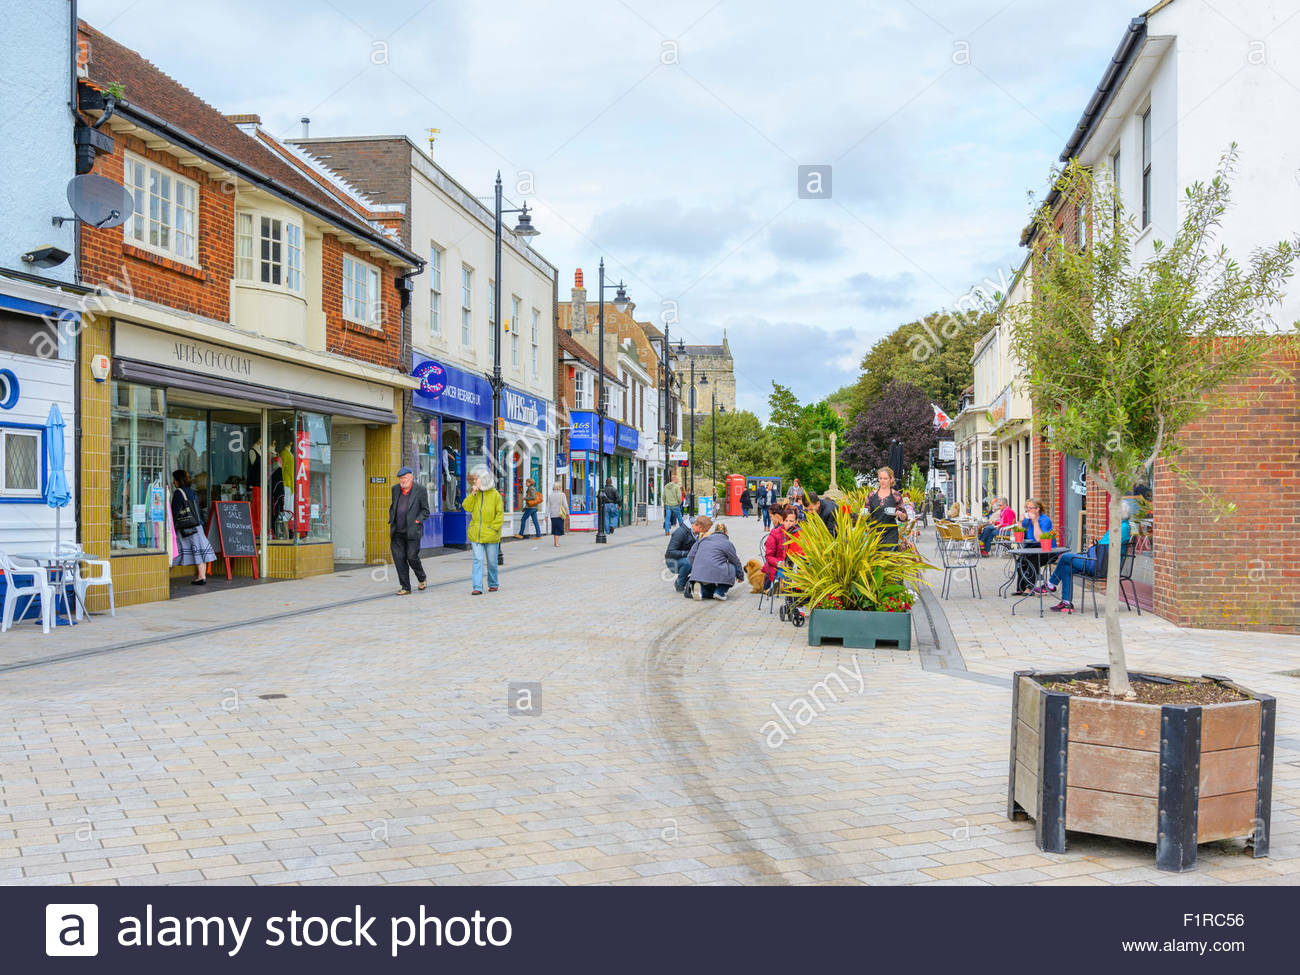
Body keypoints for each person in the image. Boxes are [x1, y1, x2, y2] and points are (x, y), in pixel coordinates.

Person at [1042, 513, 1133, 613]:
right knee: (1066, 567)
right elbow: (1105, 546)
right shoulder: (1121, 526)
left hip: (1100, 566)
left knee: (1065, 557)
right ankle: (1066, 603)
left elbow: (1104, 548)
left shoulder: (1121, 527)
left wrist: (1092, 547)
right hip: (1100, 563)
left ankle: (1050, 584)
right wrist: (1095, 546)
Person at [387, 465, 431, 595]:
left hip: (412, 532)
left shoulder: (420, 490)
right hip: (397, 532)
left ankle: (422, 578)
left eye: (405, 478)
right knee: (399, 559)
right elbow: (393, 506)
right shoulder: (395, 490)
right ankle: (405, 587)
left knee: (412, 557)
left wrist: (417, 521)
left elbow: (425, 511)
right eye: (400, 478)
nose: (402, 480)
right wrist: (391, 519)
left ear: (411, 477)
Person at [170, 469, 214, 585]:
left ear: (179, 481)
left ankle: (164, 575)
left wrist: (171, 526)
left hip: (184, 526)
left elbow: (175, 511)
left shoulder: (178, 493)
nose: (173, 482)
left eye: (174, 480)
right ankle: (202, 576)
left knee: (175, 550)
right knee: (198, 549)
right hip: (196, 525)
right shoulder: (193, 492)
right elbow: (197, 510)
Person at [464, 468, 504, 594]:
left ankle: (493, 583)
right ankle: (477, 587)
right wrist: (473, 494)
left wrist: (493, 528)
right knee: (477, 560)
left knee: (492, 562)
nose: (474, 482)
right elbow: (466, 507)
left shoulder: (495, 495)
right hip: (476, 533)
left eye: (476, 479)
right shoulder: (475, 494)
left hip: (491, 535)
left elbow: (500, 514)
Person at [686, 518, 744, 601]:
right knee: (732, 567)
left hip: (698, 573)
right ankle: (720, 592)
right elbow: (735, 561)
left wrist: (696, 566)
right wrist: (740, 576)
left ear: (714, 532)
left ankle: (701, 590)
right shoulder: (727, 543)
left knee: (709, 588)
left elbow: (691, 556)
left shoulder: (703, 540)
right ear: (726, 533)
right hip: (715, 570)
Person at [1011, 498, 1053, 595]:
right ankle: (1021, 588)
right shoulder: (1027, 520)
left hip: (1046, 550)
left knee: (1032, 560)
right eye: (1026, 508)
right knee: (1020, 561)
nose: (1027, 510)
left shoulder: (1045, 520)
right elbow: (1019, 537)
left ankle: (1030, 588)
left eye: (1030, 508)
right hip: (1031, 547)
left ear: (1037, 509)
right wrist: (1020, 522)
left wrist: (1035, 521)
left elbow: (1039, 538)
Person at [863, 466, 904, 549]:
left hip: (891, 533)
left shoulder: (896, 495)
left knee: (889, 558)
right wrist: (863, 516)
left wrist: (900, 515)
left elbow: (904, 517)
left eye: (885, 478)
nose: (882, 481)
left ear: (891, 479)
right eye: (880, 478)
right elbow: (866, 512)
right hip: (874, 533)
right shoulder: (871, 495)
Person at [665, 515, 705, 593]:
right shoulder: (680, 532)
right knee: (688, 562)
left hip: (687, 558)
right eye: (701, 528)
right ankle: (679, 584)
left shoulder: (696, 533)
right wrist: (688, 553)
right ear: (694, 525)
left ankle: (692, 582)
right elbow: (670, 552)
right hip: (673, 561)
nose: (702, 531)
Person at [763, 504, 797, 587]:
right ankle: (790, 594)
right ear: (782, 521)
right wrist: (779, 563)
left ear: (796, 522)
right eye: (786, 521)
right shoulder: (775, 533)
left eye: (791, 521)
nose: (788, 523)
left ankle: (796, 594)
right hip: (780, 565)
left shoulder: (799, 532)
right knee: (792, 575)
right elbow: (768, 556)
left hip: (796, 565)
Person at [547, 479, 568, 548]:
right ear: (559, 487)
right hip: (560, 514)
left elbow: (548, 506)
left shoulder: (550, 495)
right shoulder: (562, 495)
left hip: (552, 514)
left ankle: (555, 542)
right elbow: (565, 505)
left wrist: (546, 515)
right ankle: (556, 543)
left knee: (555, 528)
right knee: (558, 529)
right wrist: (567, 513)